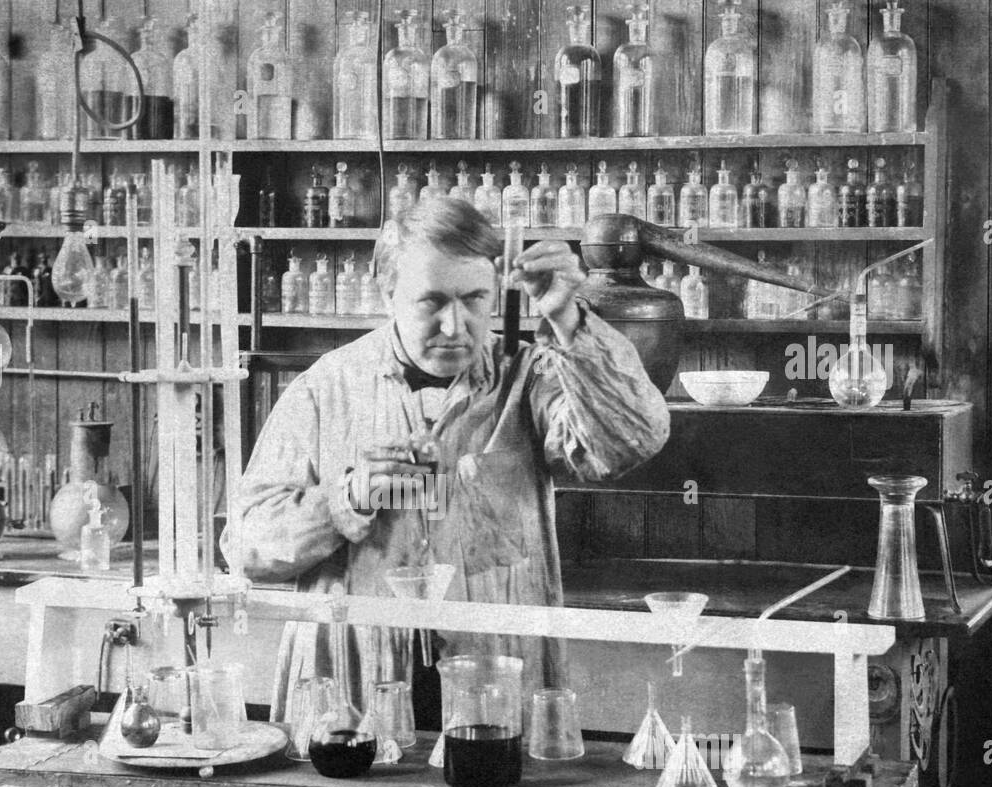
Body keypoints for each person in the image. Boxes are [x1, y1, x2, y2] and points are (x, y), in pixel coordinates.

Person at [229, 198, 669, 727]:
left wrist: (569, 319)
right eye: (431, 301)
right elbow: (248, 548)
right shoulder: (326, 389)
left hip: (492, 678)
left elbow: (634, 439)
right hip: (352, 685)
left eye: (475, 299)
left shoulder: (529, 377)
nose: (455, 325)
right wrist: (346, 499)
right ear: (387, 292)